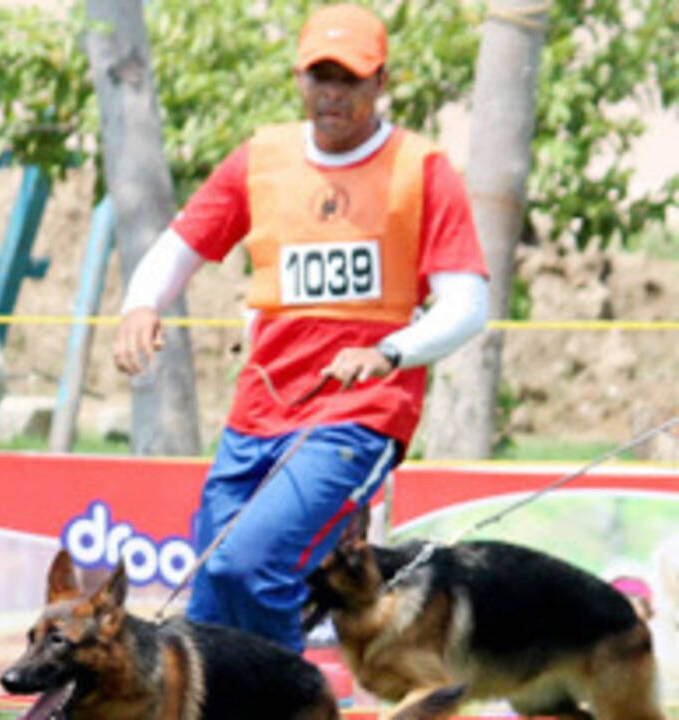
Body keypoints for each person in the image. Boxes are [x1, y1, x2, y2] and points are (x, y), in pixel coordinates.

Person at [113, 3, 488, 653]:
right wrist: (140, 305)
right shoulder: (263, 159)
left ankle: (290, 701)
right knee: (209, 586)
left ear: (381, 83)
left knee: (248, 564)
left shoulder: (421, 169)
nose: (332, 93)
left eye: (350, 78)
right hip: (259, 407)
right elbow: (182, 243)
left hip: (362, 412)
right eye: (320, 76)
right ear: (299, 79)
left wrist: (390, 351)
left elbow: (467, 304)